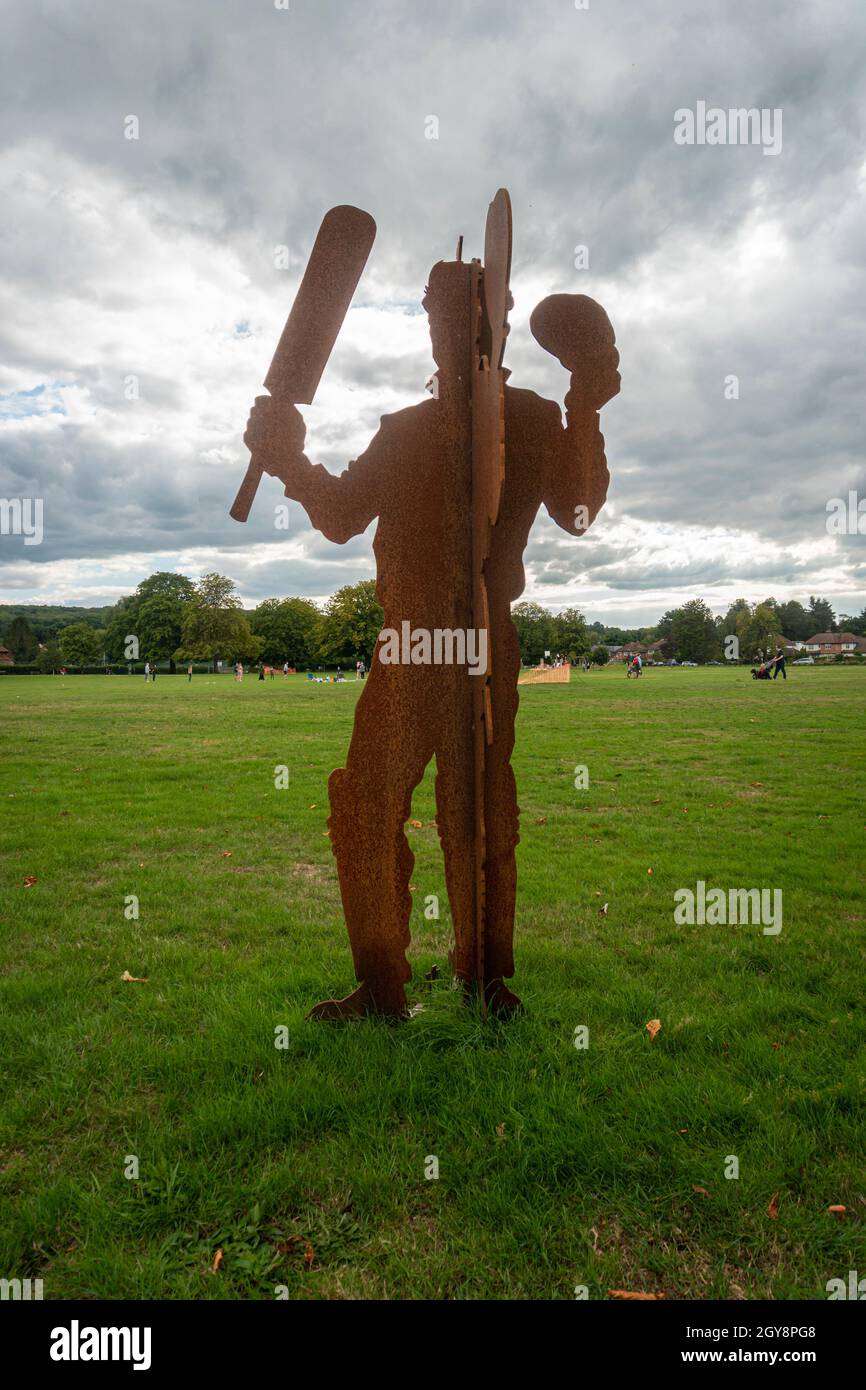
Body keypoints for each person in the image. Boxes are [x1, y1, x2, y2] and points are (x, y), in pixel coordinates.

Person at [245, 263, 618, 1018]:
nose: (451, 329)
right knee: (363, 805)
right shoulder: (405, 430)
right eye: (437, 313)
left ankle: (483, 978)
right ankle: (382, 982)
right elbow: (345, 514)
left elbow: (579, 510)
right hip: (408, 643)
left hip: (481, 643)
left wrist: (585, 401)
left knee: (477, 810)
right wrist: (288, 459)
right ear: (428, 324)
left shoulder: (533, 418)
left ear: (498, 319)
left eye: (470, 312)